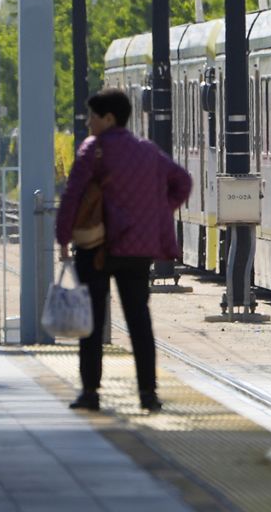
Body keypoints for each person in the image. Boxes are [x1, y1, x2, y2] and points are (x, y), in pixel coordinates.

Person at [56, 88, 192, 414]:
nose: (88, 122)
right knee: (139, 322)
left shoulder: (94, 149)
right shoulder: (147, 151)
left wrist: (62, 236)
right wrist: (160, 209)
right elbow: (183, 182)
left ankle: (90, 392)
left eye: (92, 116)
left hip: (97, 248)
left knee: (93, 322)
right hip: (137, 252)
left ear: (109, 118)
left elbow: (73, 194)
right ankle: (148, 394)